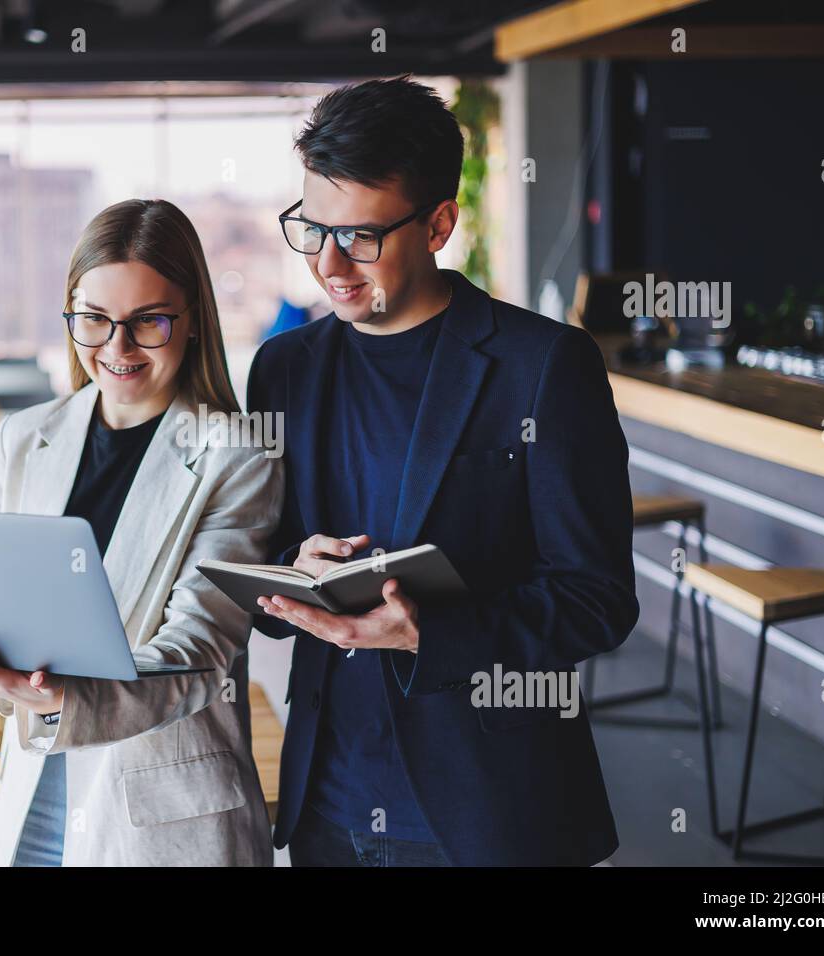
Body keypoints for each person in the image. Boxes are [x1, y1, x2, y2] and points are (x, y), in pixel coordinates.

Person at [248, 75, 639, 866]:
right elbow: (263, 569)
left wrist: (434, 630)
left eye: (360, 236)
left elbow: (598, 599)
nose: (330, 264)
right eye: (311, 229)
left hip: (487, 807)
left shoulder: (544, 367)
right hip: (329, 798)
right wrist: (292, 569)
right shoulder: (283, 369)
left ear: (438, 224)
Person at [0, 199, 283, 866]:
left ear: (192, 319)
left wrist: (65, 695)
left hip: (162, 815)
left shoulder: (237, 456)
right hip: (34, 786)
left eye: (148, 321)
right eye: (94, 319)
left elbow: (199, 653)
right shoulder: (26, 439)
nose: (116, 349)